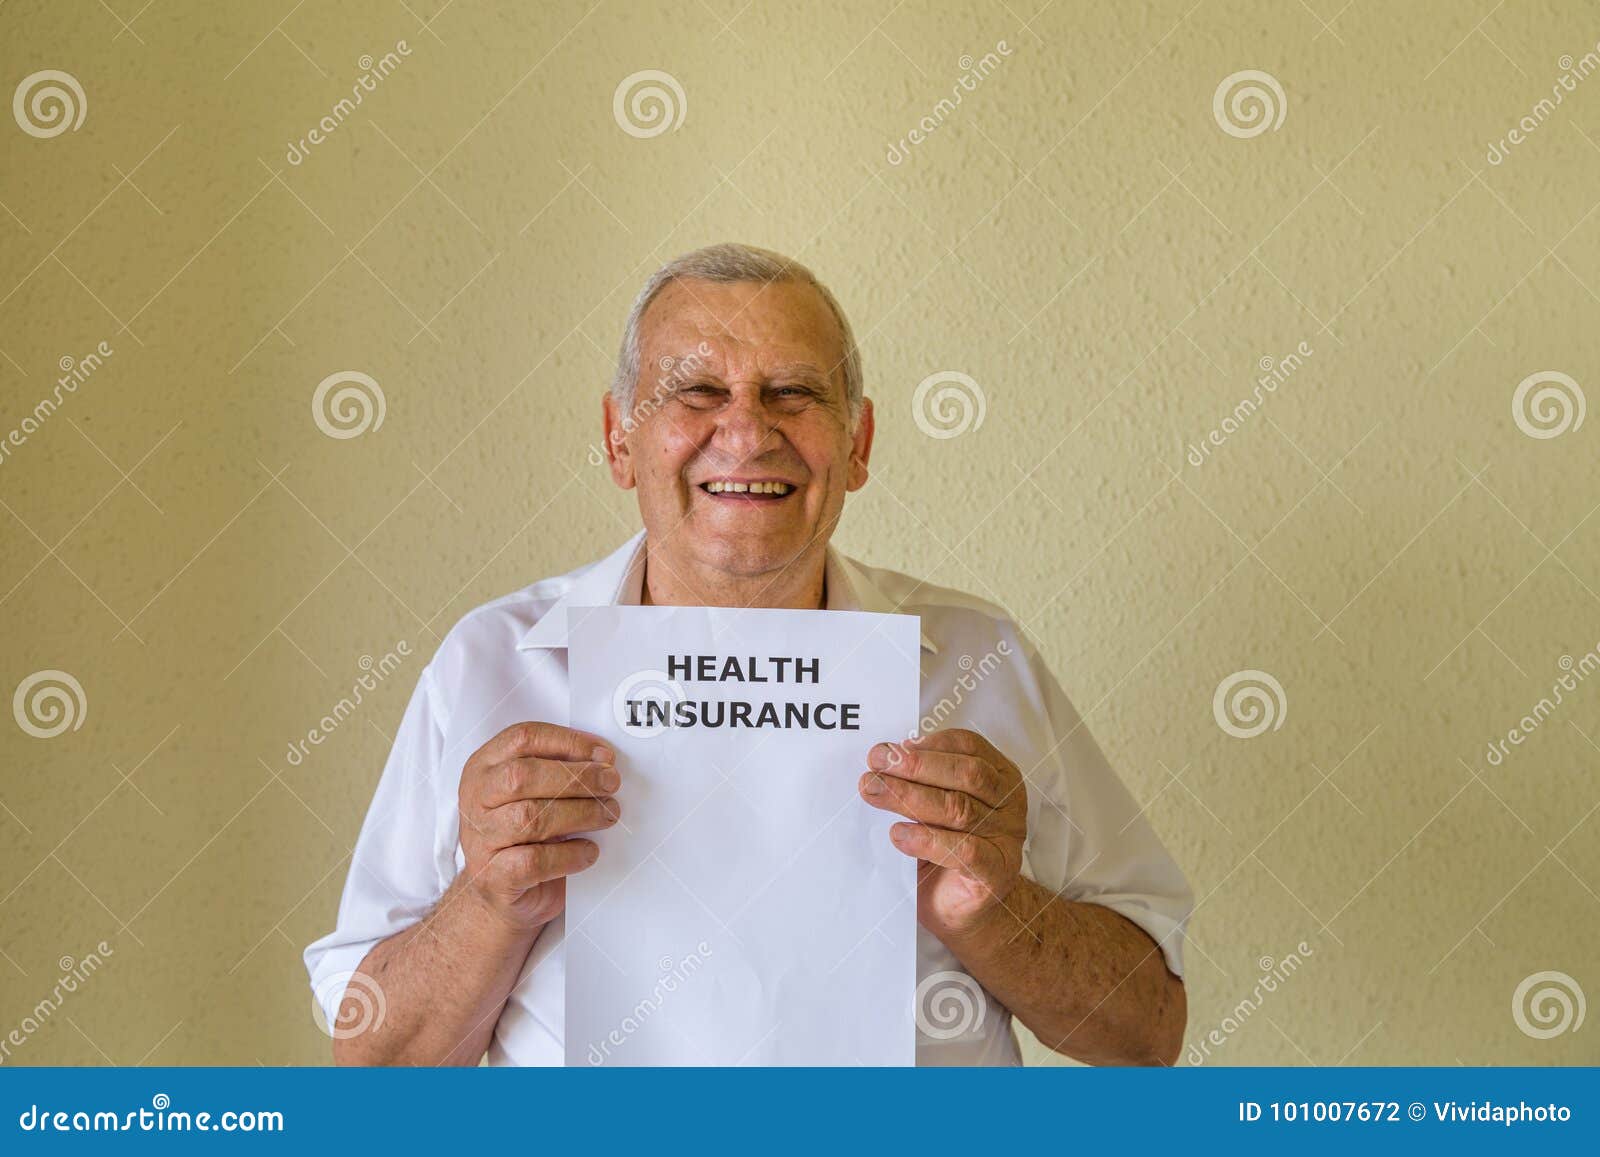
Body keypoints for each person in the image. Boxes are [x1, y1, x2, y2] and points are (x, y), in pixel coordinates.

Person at [304, 242, 1193, 1066]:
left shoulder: (979, 657)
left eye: (793, 392)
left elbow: (1148, 1030)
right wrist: (488, 902)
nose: (746, 431)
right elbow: (372, 1058)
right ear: (620, 438)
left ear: (859, 443)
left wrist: (999, 913)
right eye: (695, 392)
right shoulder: (490, 663)